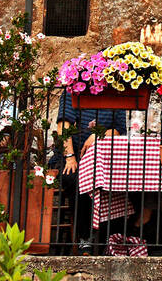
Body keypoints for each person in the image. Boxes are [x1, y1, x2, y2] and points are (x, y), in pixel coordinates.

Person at [50, 85, 129, 253]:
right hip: (70, 157)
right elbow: (63, 127)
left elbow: (119, 131)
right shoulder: (74, 90)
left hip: (101, 159)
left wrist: (97, 135)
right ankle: (84, 237)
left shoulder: (116, 93)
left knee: (122, 180)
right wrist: (70, 157)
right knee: (78, 179)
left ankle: (112, 237)